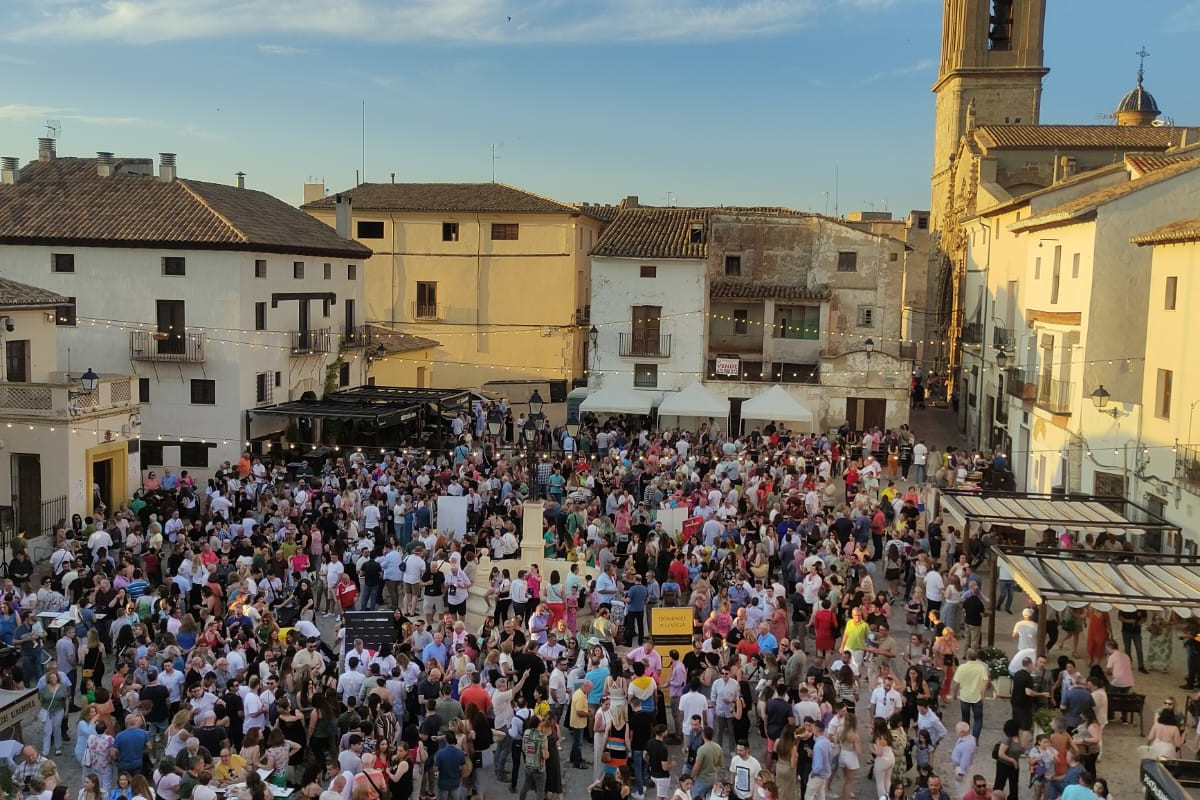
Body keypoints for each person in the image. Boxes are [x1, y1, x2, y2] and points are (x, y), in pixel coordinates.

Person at [950, 649, 990, 741]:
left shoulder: (962, 667)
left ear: (967, 657)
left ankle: (965, 738)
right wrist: (983, 695)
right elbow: (985, 682)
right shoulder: (981, 668)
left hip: (965, 696)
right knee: (978, 719)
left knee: (965, 718)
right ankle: (975, 739)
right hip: (977, 697)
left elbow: (956, 683)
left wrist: (954, 694)